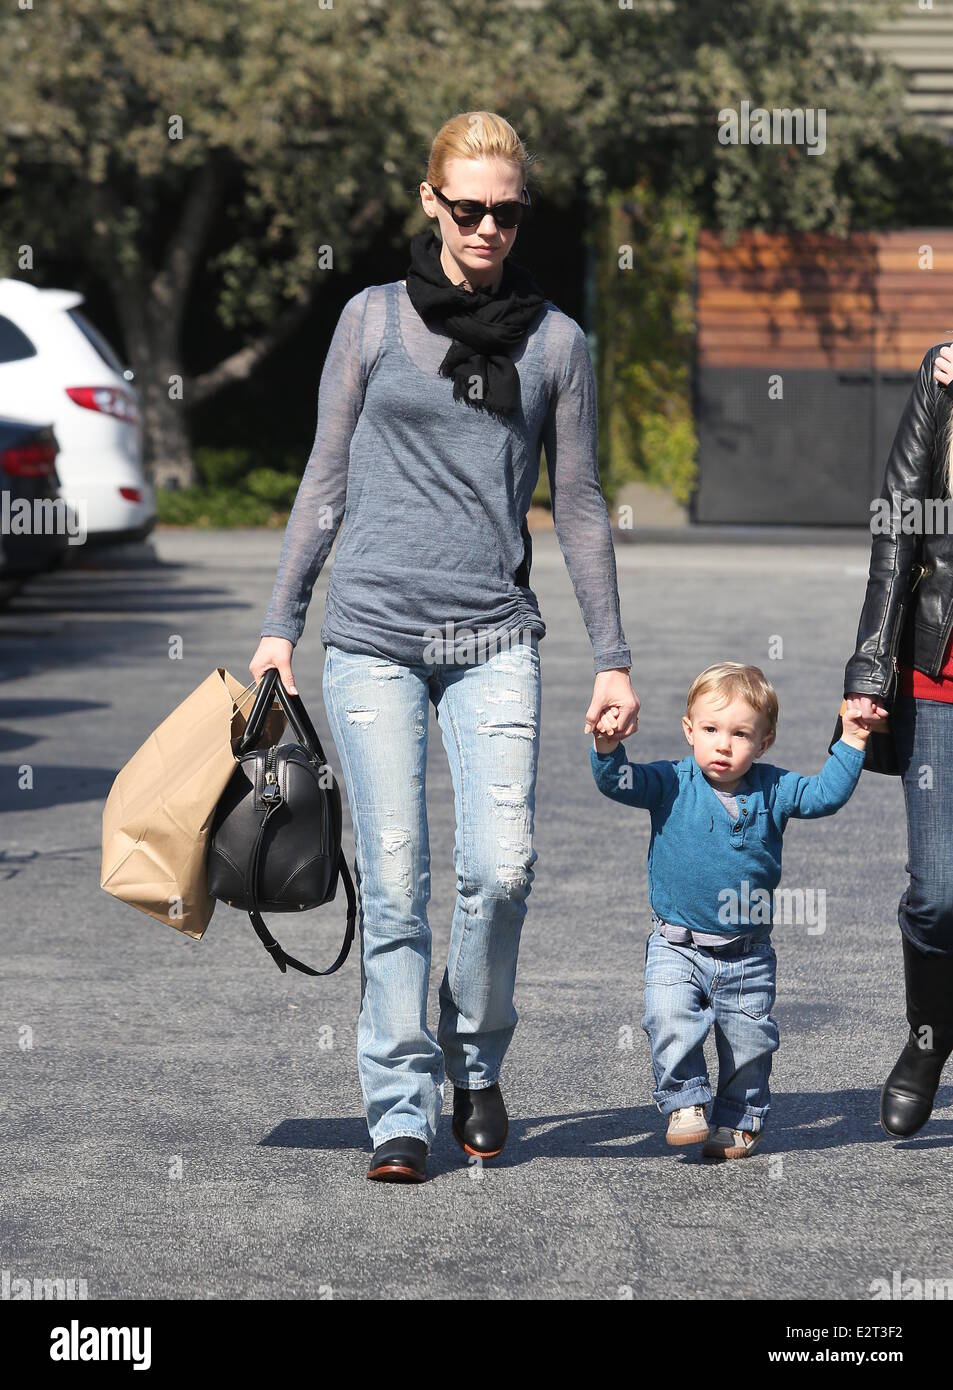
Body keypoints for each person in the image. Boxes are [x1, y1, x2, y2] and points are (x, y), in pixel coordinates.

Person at [248, 110, 638, 1183]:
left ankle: (475, 1056)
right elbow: (323, 481)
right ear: (429, 202)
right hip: (371, 638)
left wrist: (612, 653)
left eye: (506, 213)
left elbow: (585, 505)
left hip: (493, 639)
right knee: (396, 873)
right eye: (466, 208)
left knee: (500, 868)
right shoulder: (370, 322)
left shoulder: (556, 342)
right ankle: (398, 1106)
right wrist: (281, 624)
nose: (486, 229)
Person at [590, 662, 870, 1159]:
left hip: (747, 954)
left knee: (747, 1044)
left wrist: (851, 739)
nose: (724, 745)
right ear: (689, 729)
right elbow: (621, 784)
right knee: (668, 1016)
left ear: (764, 743)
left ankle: (739, 1117)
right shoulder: (670, 783)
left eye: (741, 734)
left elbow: (825, 796)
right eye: (711, 730)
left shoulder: (775, 788)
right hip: (675, 944)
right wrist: (608, 747)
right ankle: (684, 1103)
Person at [844, 340, 953, 1138]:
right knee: (939, 893)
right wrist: (870, 663)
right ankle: (928, 1038)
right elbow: (897, 529)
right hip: (937, 672)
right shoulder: (944, 377)